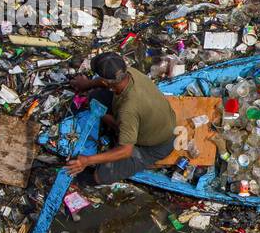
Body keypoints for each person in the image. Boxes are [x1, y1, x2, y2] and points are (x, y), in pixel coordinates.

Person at [66, 52, 177, 186]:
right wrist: (87, 84)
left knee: (100, 175)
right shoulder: (130, 72)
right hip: (155, 120)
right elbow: (104, 82)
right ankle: (114, 126)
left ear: (108, 82)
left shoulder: (128, 110)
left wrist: (86, 161)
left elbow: (126, 150)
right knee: (94, 97)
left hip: (156, 146)